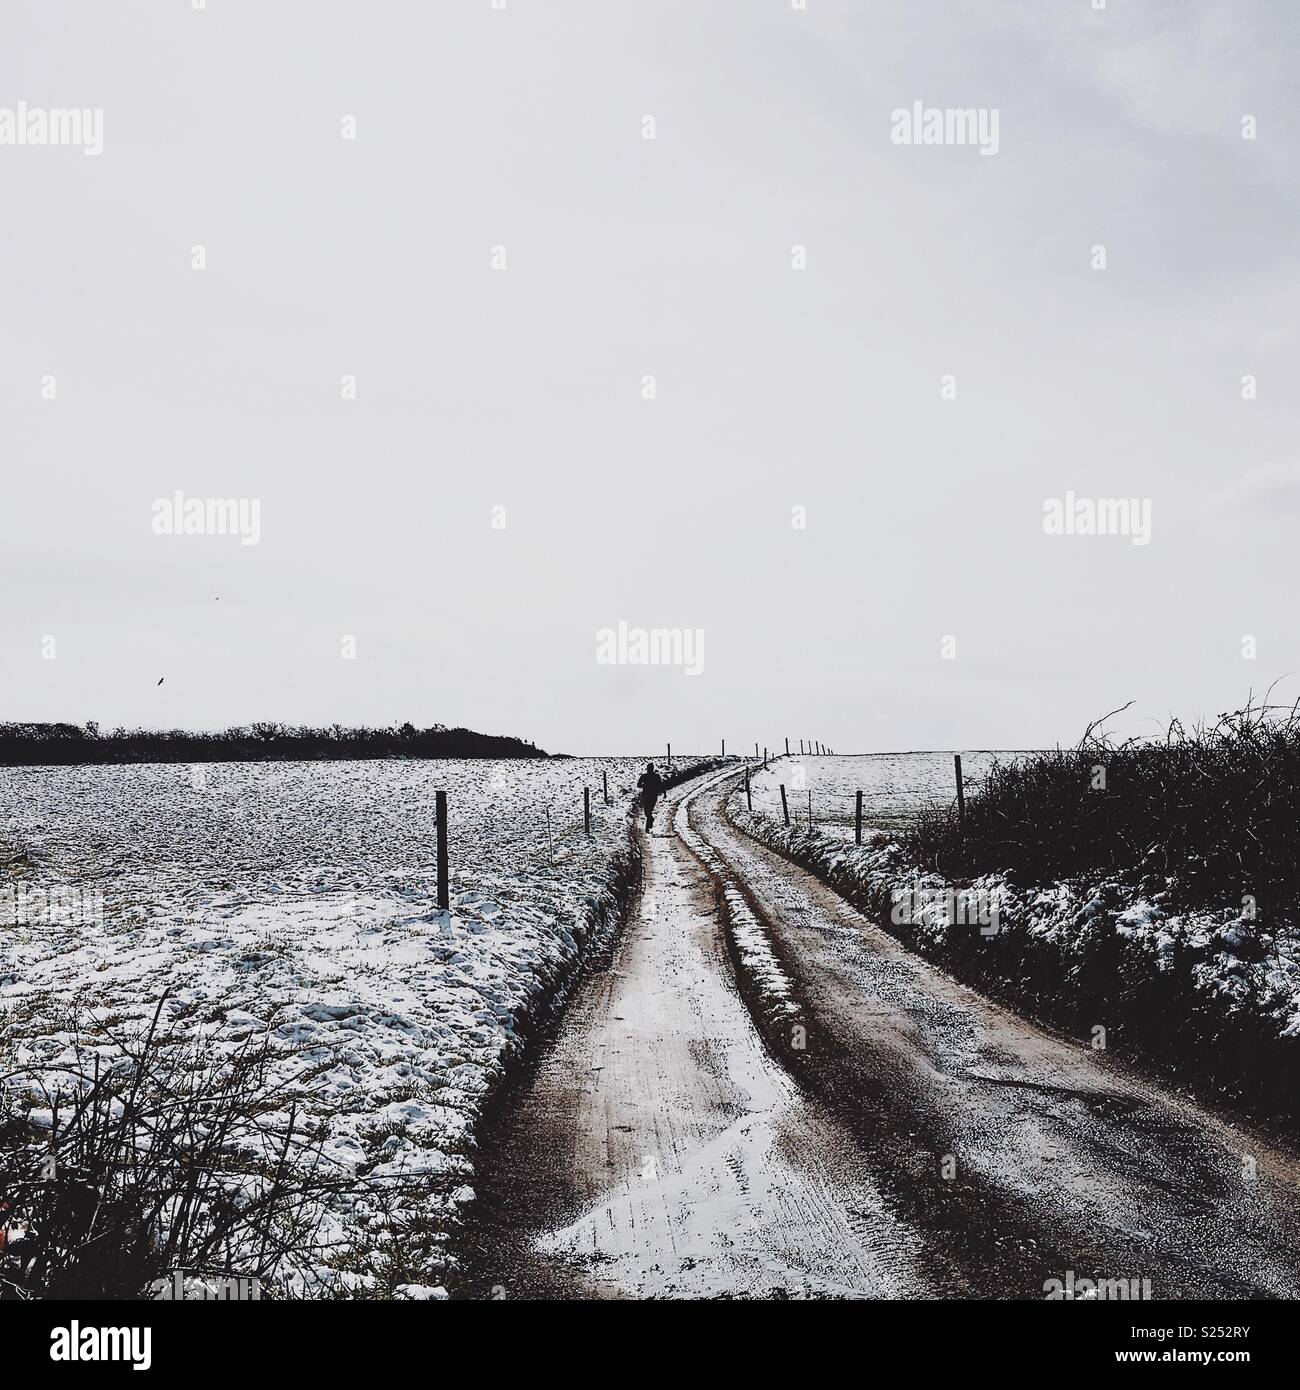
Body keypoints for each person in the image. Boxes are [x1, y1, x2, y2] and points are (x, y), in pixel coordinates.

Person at [637, 761, 666, 830]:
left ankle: (647, 827)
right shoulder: (646, 776)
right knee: (647, 812)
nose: (649, 769)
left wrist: (664, 792)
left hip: (651, 796)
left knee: (648, 812)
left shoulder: (654, 776)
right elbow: (638, 784)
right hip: (649, 796)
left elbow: (661, 785)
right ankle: (650, 821)